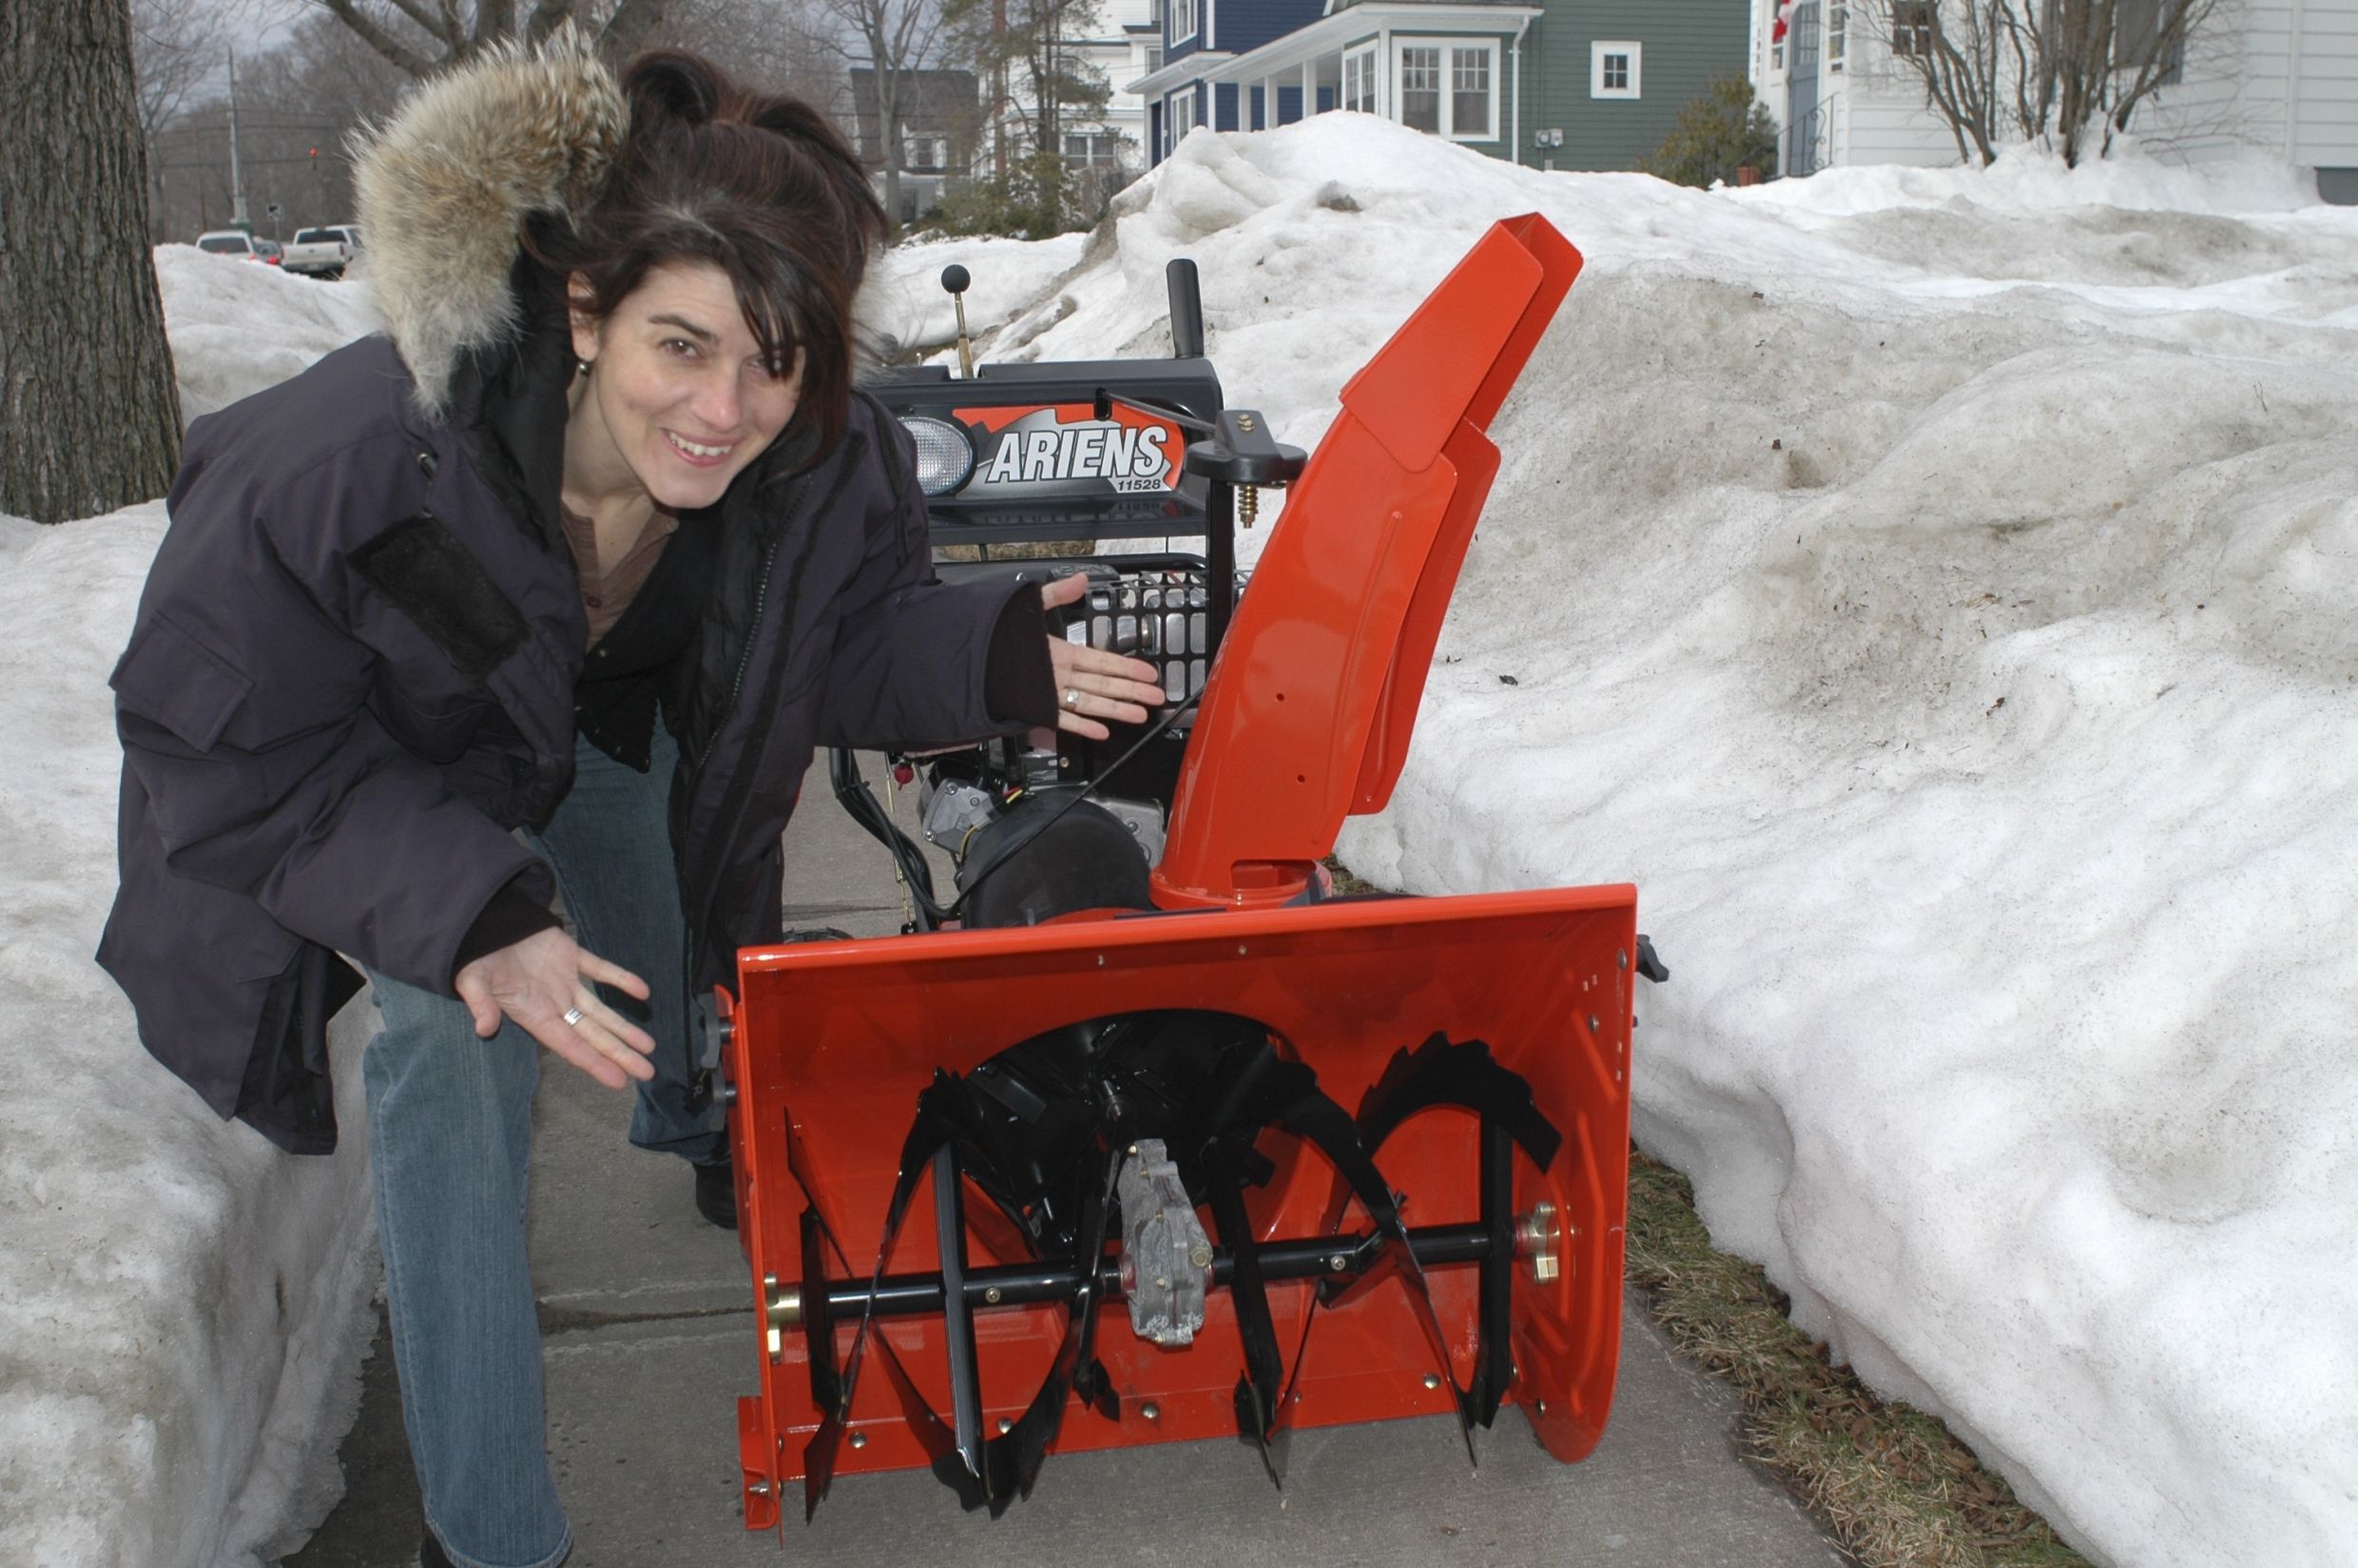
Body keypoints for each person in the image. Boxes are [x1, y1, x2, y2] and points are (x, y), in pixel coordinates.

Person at [98, 38, 1163, 1568]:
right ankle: (493, 1537)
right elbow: (224, 742)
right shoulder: (354, 457)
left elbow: (841, 633)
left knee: (662, 906)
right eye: (683, 345)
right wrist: (476, 915)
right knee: (456, 1035)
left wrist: (993, 657)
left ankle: (690, 1106)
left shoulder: (818, 451)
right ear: (586, 311)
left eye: (773, 359)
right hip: (394, 774)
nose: (726, 407)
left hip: (594, 723)